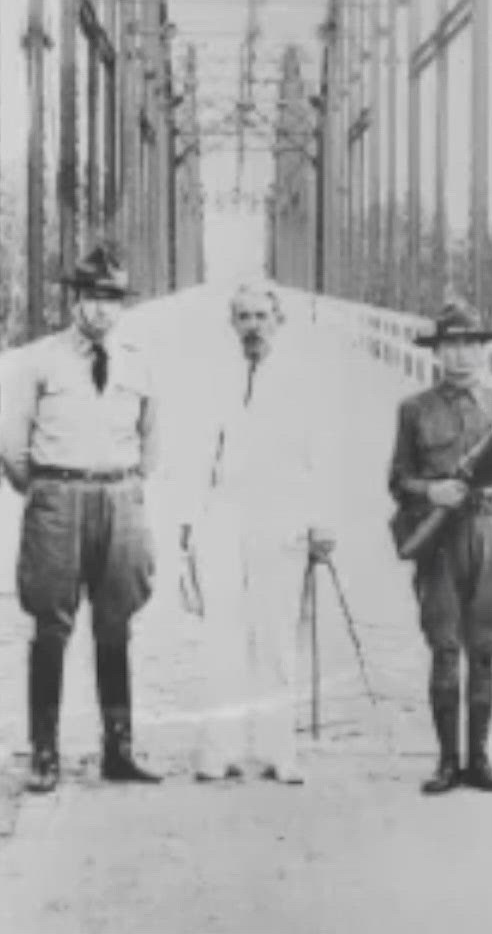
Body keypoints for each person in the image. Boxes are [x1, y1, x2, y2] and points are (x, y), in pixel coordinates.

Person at [0, 244, 163, 794]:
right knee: (51, 625)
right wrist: (51, 491)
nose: (100, 311)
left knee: (116, 623)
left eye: (112, 300)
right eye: (91, 298)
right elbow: (13, 452)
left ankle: (118, 747)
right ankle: (45, 752)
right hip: (58, 498)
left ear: (123, 305)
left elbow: (152, 446)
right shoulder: (39, 361)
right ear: (75, 301)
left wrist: (122, 486)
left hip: (119, 497)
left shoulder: (140, 362)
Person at [183, 282, 336, 785]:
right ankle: (218, 750)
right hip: (223, 514)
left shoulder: (302, 382)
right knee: (221, 634)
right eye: (244, 317)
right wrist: (188, 525)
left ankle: (278, 751)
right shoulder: (213, 380)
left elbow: (318, 457)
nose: (253, 326)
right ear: (233, 324)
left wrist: (320, 521)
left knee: (275, 635)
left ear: (279, 322)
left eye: (262, 317)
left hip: (281, 515)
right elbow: (197, 455)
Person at [388, 300, 492, 796]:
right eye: (452, 345)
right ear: (438, 352)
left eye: (471, 345)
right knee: (445, 648)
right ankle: (448, 762)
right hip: (441, 537)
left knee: (486, 648)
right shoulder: (415, 410)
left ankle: (481, 759)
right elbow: (398, 480)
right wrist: (430, 492)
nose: (461, 356)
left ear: (483, 351)